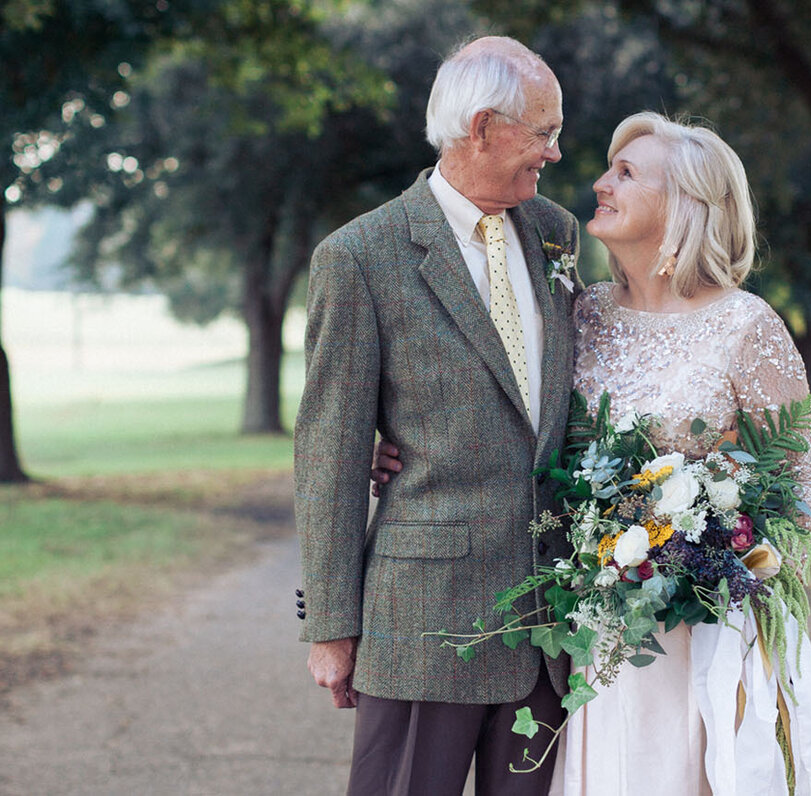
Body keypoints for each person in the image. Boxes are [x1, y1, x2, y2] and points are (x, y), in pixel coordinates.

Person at [374, 111, 811, 794]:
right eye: (608, 168)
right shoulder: (580, 314)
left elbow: (801, 484)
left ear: (685, 204)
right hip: (599, 633)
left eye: (626, 173)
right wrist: (391, 441)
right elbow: (498, 402)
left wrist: (731, 582)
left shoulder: (747, 325)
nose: (598, 182)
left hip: (707, 632)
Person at [294, 36, 580, 796]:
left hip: (549, 630)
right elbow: (329, 453)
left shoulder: (557, 233)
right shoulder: (360, 256)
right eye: (543, 132)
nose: (554, 152)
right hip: (423, 622)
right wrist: (330, 624)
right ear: (483, 127)